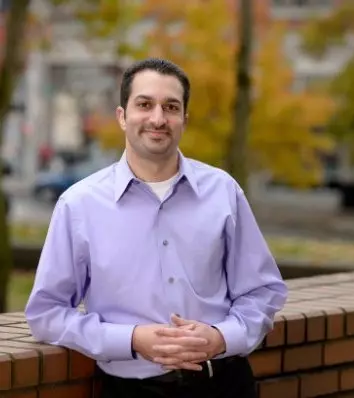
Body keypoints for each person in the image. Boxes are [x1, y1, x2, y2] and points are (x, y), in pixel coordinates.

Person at [25, 58, 288, 398]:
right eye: (145, 104)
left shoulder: (223, 191)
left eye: (171, 107)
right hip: (132, 392)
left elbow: (262, 291)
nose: (158, 118)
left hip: (226, 384)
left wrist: (221, 337)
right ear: (122, 116)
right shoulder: (79, 205)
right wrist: (132, 340)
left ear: (184, 120)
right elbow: (46, 314)